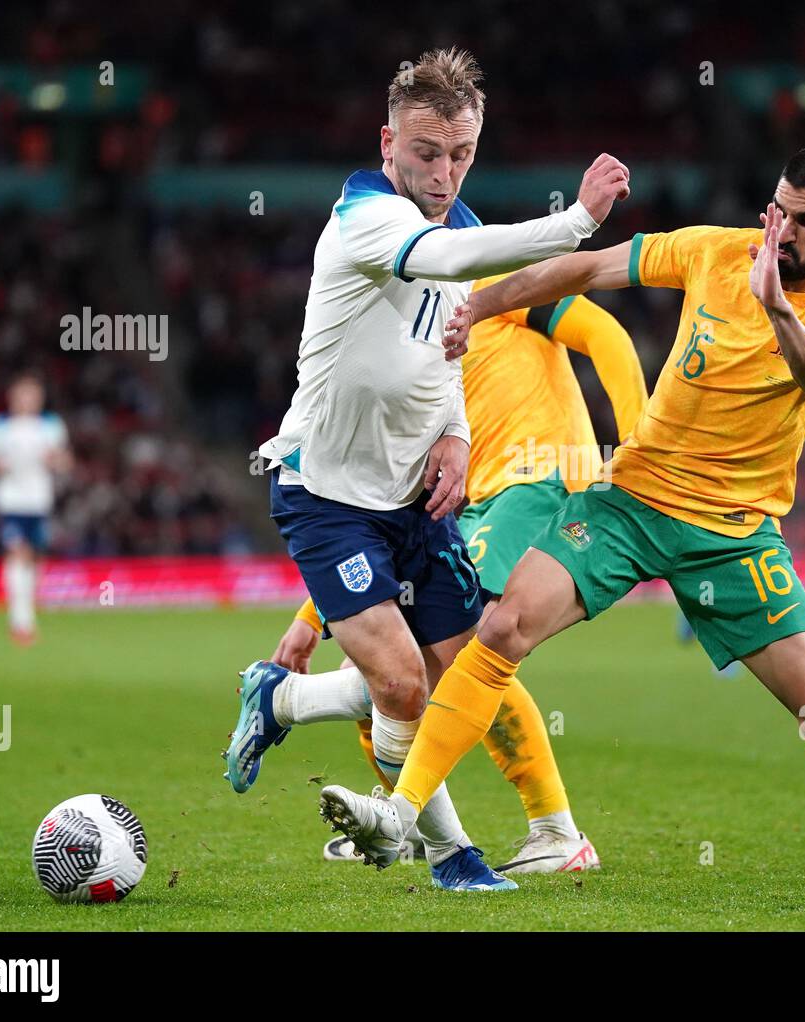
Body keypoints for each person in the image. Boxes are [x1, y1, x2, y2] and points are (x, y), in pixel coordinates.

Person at [320, 144, 805, 888]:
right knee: (498, 629)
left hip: (733, 533)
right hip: (631, 500)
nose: (783, 232)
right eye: (778, 211)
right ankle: (404, 813)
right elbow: (586, 269)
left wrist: (778, 308)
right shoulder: (714, 251)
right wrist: (480, 304)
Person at [221, 47, 629, 892]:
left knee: (464, 666)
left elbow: (444, 356)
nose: (444, 174)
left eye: (462, 156)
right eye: (427, 154)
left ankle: (284, 703)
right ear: (387, 145)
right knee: (404, 683)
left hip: (417, 498)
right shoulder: (367, 221)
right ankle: (451, 855)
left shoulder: (458, 227)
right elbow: (454, 268)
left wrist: (455, 435)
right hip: (327, 497)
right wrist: (577, 222)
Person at [273, 272, 646, 873]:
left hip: (534, 479)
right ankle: (416, 825)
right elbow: (381, 516)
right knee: (381, 661)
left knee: (472, 650)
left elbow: (605, 334)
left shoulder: (490, 286)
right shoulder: (397, 340)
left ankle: (556, 831)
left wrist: (636, 446)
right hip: (470, 505)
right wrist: (313, 616)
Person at [0, 374, 72, 645]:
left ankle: (25, 612)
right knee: (17, 553)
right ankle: (20, 622)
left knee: (34, 559)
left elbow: (65, 460)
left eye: (33, 394)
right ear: (13, 397)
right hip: (10, 500)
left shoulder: (51, 425)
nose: (28, 400)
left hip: (39, 500)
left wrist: (55, 459)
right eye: (23, 394)